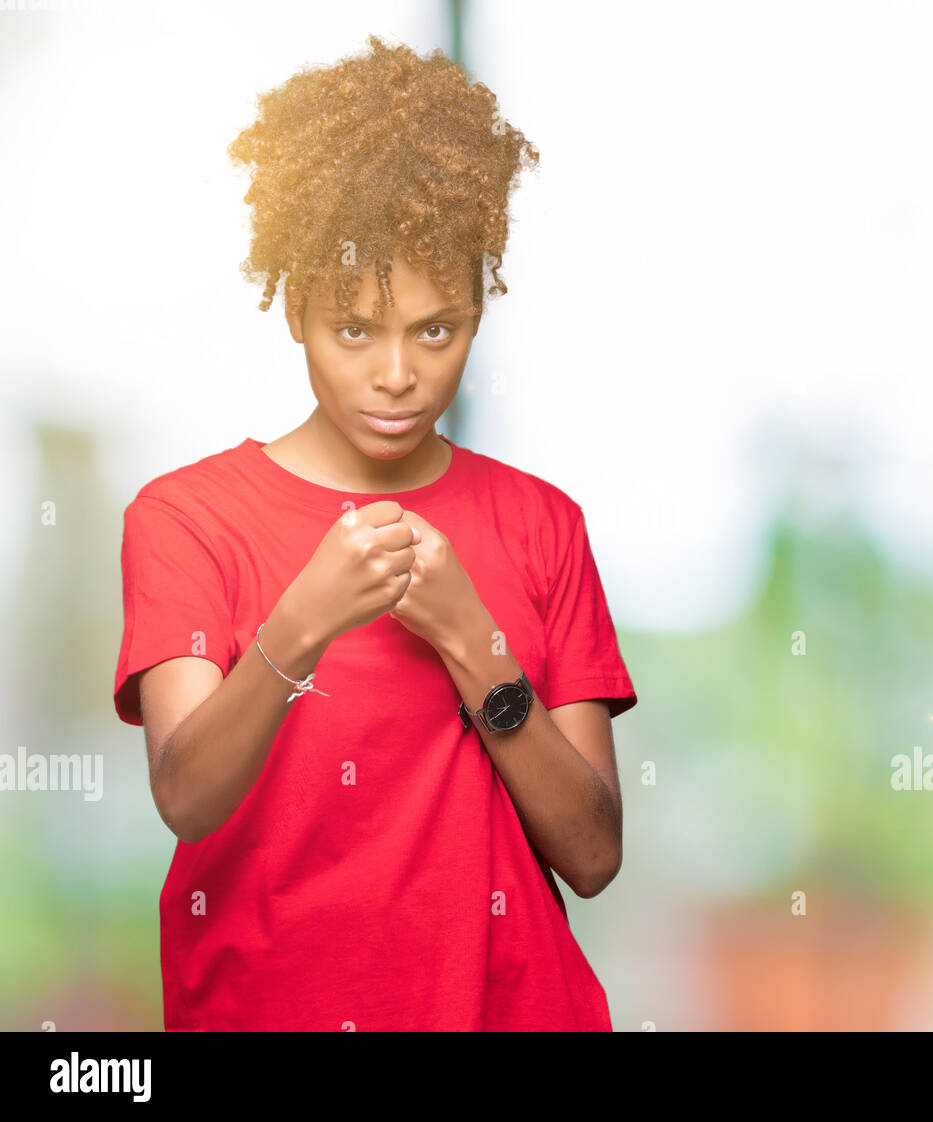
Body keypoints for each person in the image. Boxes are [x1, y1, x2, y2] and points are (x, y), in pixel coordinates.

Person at [112, 35, 636, 1031]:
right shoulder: (185, 519)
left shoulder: (541, 525)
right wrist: (297, 625)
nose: (397, 374)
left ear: (479, 315)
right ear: (295, 310)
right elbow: (186, 794)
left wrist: (470, 640)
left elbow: (595, 854)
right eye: (354, 329)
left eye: (435, 330)